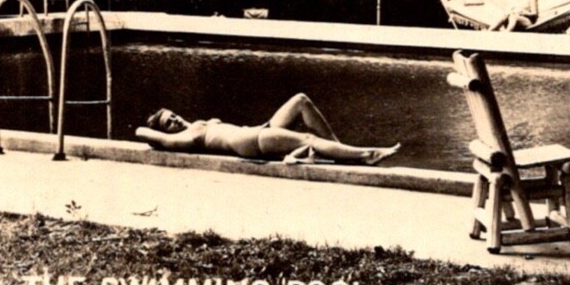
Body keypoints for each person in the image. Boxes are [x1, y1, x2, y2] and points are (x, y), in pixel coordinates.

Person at [137, 93, 399, 165]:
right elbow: (142, 132)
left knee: (301, 101)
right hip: (250, 142)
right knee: (306, 137)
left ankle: (338, 150)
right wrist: (160, 135)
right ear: (167, 132)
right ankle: (367, 155)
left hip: (257, 132)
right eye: (169, 123)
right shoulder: (185, 138)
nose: (176, 120)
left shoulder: (197, 125)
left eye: (173, 115)